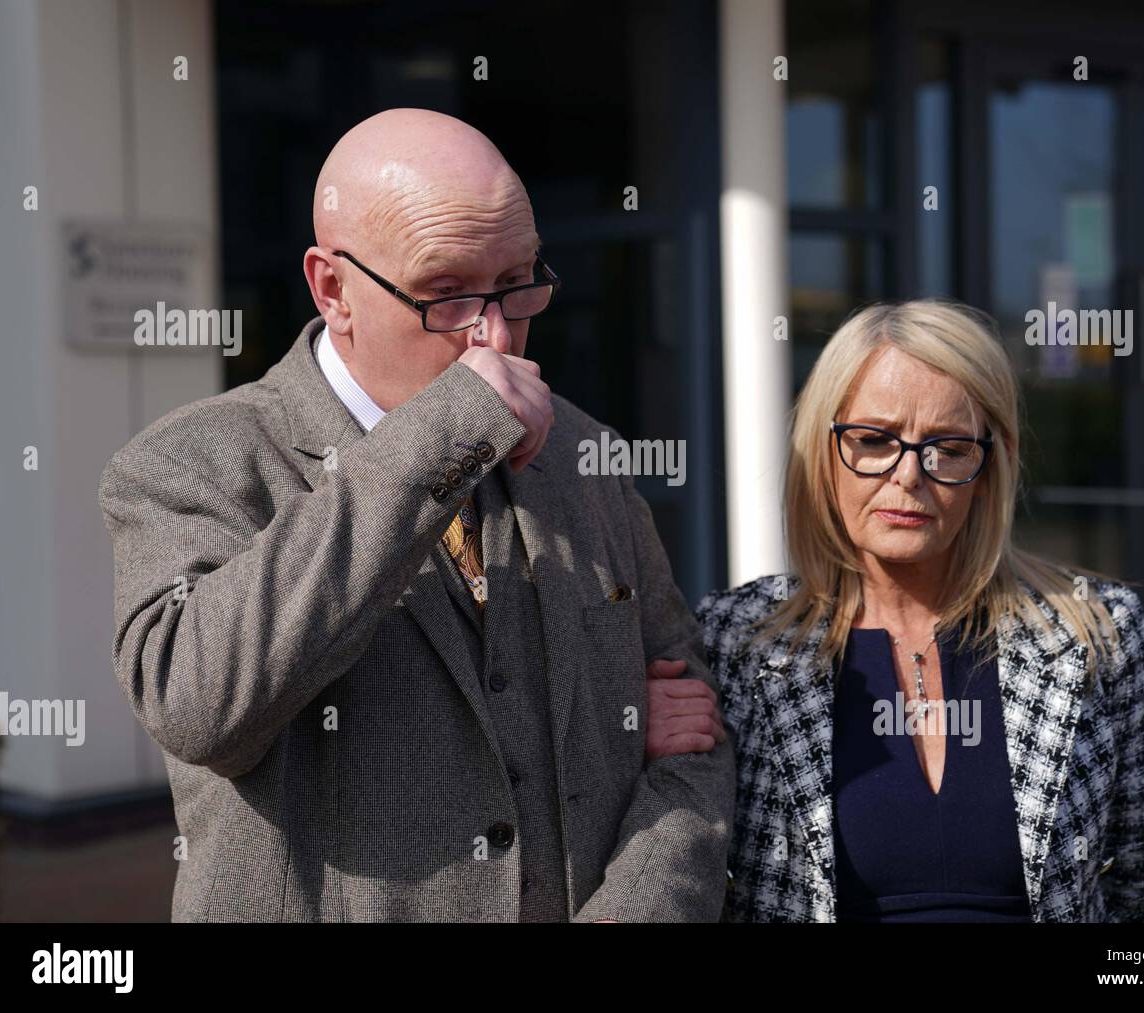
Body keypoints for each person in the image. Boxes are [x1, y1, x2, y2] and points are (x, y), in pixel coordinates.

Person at [97, 108, 734, 922]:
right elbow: (198, 706)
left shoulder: (588, 457)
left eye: (518, 283)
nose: (496, 336)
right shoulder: (192, 464)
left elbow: (695, 746)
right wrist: (444, 436)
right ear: (334, 289)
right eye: (447, 295)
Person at [657, 299, 1144, 921]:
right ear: (821, 450)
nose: (909, 475)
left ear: (990, 464)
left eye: (947, 446)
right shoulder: (737, 641)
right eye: (872, 440)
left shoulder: (1098, 631)